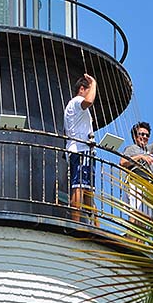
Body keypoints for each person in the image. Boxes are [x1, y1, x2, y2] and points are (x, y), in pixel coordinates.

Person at [120, 116, 153, 220]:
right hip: (137, 184)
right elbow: (122, 162)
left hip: (148, 187)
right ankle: (132, 236)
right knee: (136, 215)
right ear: (135, 137)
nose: (144, 137)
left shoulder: (147, 150)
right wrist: (140, 157)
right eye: (141, 134)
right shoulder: (132, 148)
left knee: (145, 219)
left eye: (147, 135)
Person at [63, 73, 97, 222]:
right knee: (79, 186)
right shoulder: (77, 101)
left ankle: (92, 223)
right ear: (82, 89)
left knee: (87, 188)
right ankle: (77, 222)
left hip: (83, 151)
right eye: (89, 89)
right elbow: (89, 101)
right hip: (80, 150)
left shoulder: (75, 106)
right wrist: (94, 83)